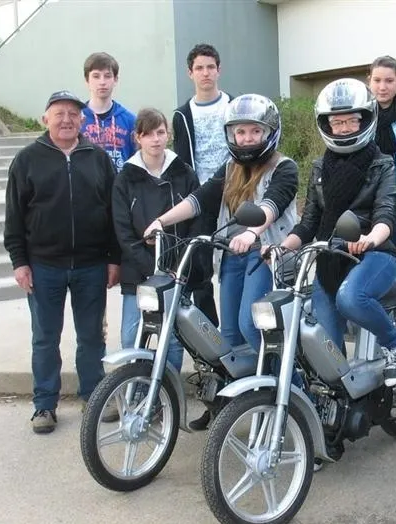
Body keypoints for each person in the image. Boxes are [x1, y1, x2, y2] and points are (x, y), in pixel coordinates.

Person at [146, 94, 298, 430]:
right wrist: (162, 221)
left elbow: (273, 204)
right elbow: (200, 199)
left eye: (254, 131)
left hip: (266, 255)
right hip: (232, 254)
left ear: (269, 132)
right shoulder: (231, 168)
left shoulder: (284, 167)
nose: (246, 138)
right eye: (240, 132)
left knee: (250, 326)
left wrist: (252, 232)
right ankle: (231, 406)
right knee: (227, 336)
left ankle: (292, 394)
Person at [275, 78, 396, 388]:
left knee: (350, 299)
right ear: (328, 125)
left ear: (365, 119)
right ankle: (339, 405)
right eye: (338, 122)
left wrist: (369, 239)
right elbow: (309, 223)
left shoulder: (382, 164)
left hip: (375, 254)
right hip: (331, 258)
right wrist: (282, 247)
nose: (345, 128)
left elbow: (386, 214)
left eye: (352, 120)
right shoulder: (320, 167)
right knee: (325, 349)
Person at [4, 90, 120, 434]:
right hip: (44, 266)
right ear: (46, 119)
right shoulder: (27, 160)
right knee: (45, 338)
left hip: (91, 265)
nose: (67, 119)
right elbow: (14, 217)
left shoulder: (98, 158)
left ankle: (93, 397)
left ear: (82, 120)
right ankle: (44, 405)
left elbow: (113, 213)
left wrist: (114, 258)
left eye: (73, 113)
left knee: (92, 337)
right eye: (59, 113)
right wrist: (19, 262)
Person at [111, 108, 201, 420]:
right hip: (138, 273)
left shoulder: (184, 173)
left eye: (160, 132)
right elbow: (123, 231)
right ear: (137, 138)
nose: (155, 139)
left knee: (172, 340)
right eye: (148, 134)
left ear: (168, 135)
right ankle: (136, 395)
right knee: (131, 335)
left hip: (176, 272)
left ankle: (166, 398)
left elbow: (195, 220)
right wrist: (151, 268)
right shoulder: (125, 178)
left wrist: (178, 265)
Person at [170, 42, 233, 329]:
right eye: (199, 68)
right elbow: (182, 162)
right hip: (201, 199)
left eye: (210, 67)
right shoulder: (182, 115)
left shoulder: (234, 105)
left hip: (235, 195)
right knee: (200, 269)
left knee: (236, 263)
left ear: (219, 70)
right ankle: (209, 333)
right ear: (190, 73)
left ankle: (236, 331)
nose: (205, 73)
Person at [368, 55, 396, 271]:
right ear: (369, 81)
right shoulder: (360, 117)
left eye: (389, 81)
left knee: (395, 264)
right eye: (377, 80)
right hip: (365, 200)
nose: (382, 87)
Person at [80, 52, 136, 171]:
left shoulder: (130, 120)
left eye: (107, 76)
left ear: (115, 80)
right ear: (87, 80)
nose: (102, 82)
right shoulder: (77, 119)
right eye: (96, 76)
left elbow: (138, 159)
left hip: (121, 181)